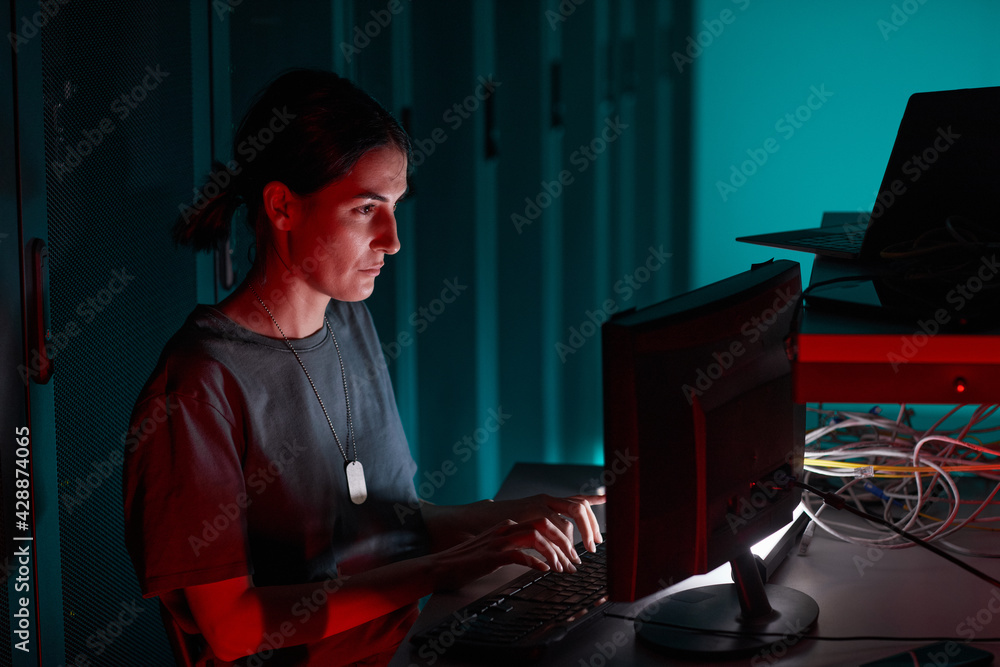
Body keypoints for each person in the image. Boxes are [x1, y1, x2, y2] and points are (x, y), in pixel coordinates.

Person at [122, 69, 604, 666]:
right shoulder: (198, 388)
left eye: (395, 207)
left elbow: (386, 526)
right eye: (365, 209)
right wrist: (447, 567)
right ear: (283, 207)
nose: (393, 239)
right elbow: (232, 627)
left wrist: (509, 524)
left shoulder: (347, 320)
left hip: (412, 646)